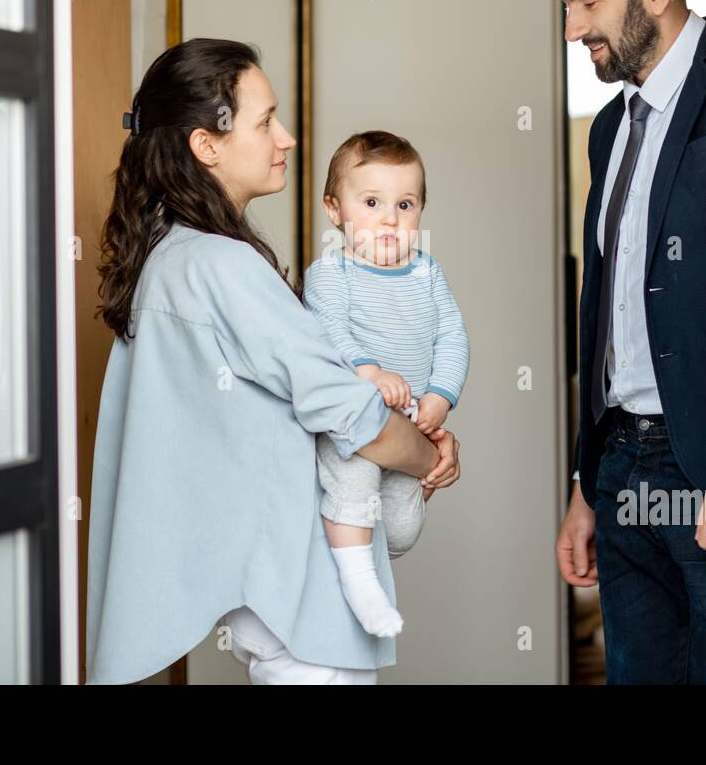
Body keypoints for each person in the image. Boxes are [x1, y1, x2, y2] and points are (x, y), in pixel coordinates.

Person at [85, 38, 460, 685]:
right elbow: (348, 412)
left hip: (264, 603)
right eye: (265, 122)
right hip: (301, 609)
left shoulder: (170, 259)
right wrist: (431, 455)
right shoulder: (223, 267)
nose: (285, 138)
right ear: (208, 144)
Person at [552, 0, 706, 683]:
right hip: (620, 474)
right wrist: (585, 484)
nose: (572, 29)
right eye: (567, 6)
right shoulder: (609, 128)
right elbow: (601, 310)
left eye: (586, 2)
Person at [304, 130, 470, 638]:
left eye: (405, 203)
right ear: (335, 210)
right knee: (352, 485)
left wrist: (441, 395)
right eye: (371, 202)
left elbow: (454, 336)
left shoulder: (427, 273)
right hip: (354, 422)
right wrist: (369, 372)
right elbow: (328, 327)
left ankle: (367, 561)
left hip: (412, 422)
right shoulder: (331, 272)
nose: (389, 218)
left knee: (402, 526)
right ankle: (358, 582)